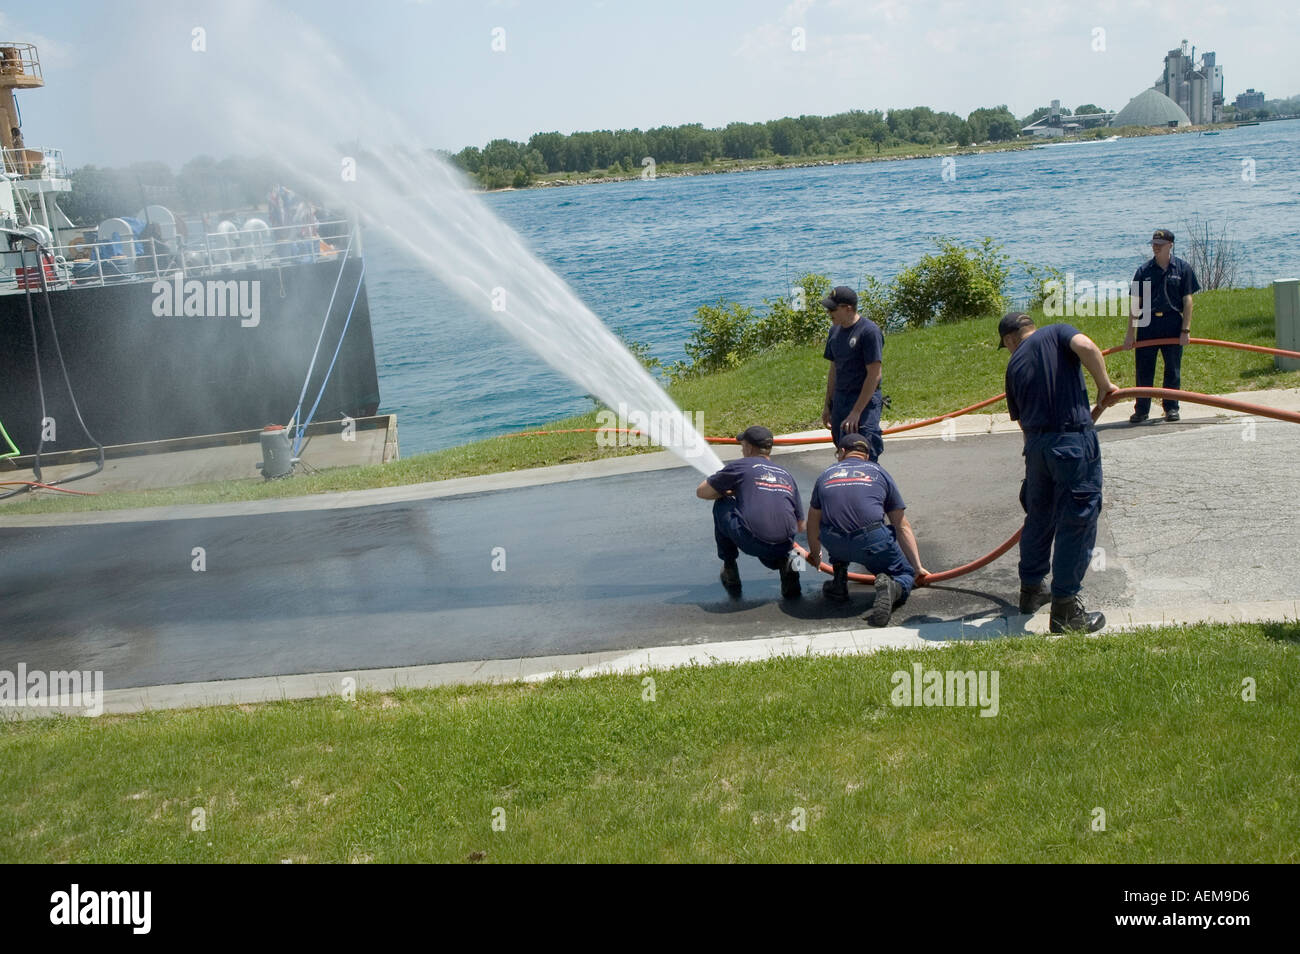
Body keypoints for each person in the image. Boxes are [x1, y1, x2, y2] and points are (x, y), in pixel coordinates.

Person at [999, 312, 1119, 633]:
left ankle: (1032, 590)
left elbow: (1023, 423)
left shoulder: (1013, 366)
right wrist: (1104, 385)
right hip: (1071, 440)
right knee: (1077, 518)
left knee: (1039, 516)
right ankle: (1065, 608)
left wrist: (1033, 466)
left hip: (1037, 448)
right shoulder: (1057, 331)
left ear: (1010, 339)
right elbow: (1087, 346)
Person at [805, 434, 929, 626]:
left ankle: (839, 581)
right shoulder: (879, 472)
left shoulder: (827, 474)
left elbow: (812, 522)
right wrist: (917, 568)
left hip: (835, 542)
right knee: (904, 572)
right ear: (867, 455)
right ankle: (893, 587)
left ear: (843, 452)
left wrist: (815, 555)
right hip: (870, 542)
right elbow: (901, 524)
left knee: (829, 520)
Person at [696, 425, 805, 599]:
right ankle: (792, 572)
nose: (741, 449)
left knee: (722, 504)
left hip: (754, 541)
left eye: (742, 445)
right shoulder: (786, 474)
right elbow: (800, 525)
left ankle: (730, 569)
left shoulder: (741, 465)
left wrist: (728, 492)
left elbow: (702, 492)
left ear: (749, 447)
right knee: (792, 547)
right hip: (785, 544)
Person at [1124, 228, 1201, 423]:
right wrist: (1130, 333)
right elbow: (1135, 303)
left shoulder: (1182, 269)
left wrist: (1185, 329)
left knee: (1173, 369)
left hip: (1172, 322)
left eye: (1159, 245)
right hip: (1148, 324)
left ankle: (1171, 407)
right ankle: (1142, 409)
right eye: (1153, 245)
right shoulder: (1143, 271)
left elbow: (1188, 301)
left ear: (1170, 246)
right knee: (1144, 369)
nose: (1155, 248)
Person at [821, 285, 886, 461]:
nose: (829, 313)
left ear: (848, 308)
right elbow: (834, 369)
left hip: (863, 401)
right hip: (841, 399)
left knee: (864, 449)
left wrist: (857, 412)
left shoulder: (869, 332)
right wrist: (828, 404)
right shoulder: (834, 331)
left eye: (833, 309)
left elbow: (874, 375)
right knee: (843, 450)